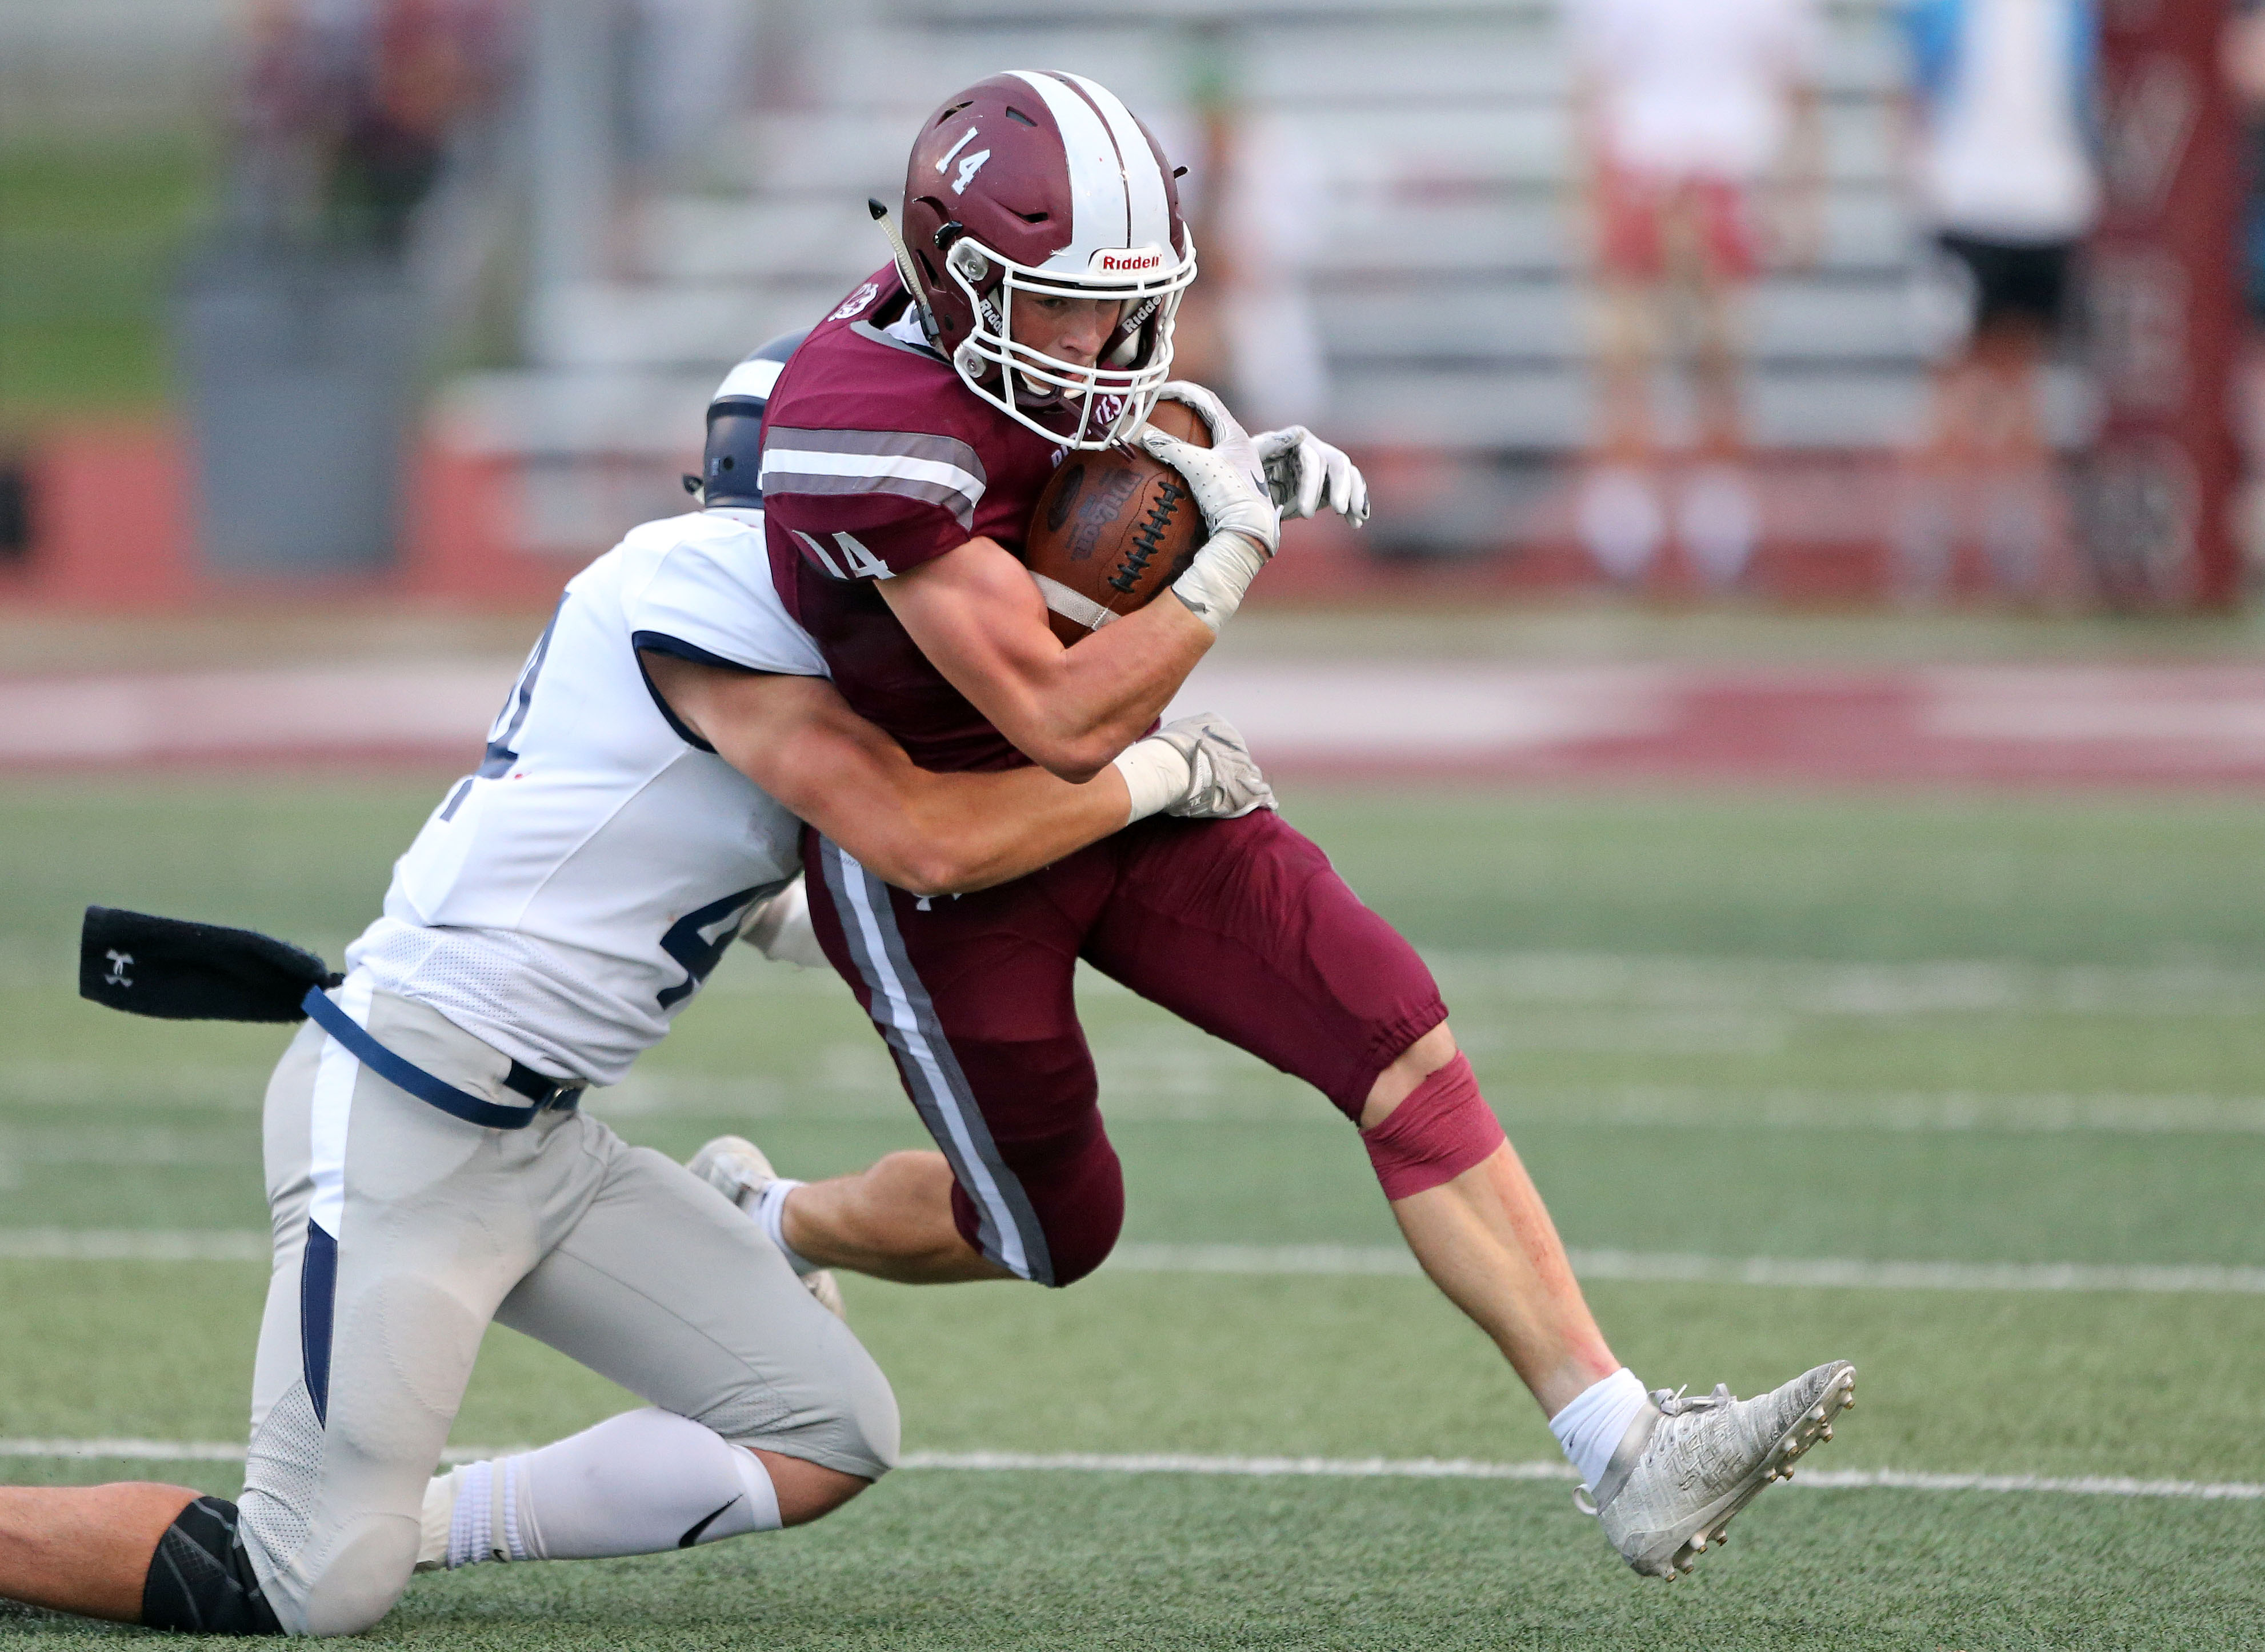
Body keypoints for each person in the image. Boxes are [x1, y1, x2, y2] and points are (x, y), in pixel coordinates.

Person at [705, 69, 1854, 1582]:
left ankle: (1624, 1446)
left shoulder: (1050, 354)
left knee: (1385, 1023)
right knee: (1051, 1225)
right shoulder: (868, 429)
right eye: (1063, 306)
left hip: (1113, 790)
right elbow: (1056, 715)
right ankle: (769, 1219)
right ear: (959, 273)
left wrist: (1201, 471)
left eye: (1129, 304)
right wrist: (1227, 549)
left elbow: (1117, 483)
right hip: (945, 848)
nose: (1106, 346)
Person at [0, 330, 1272, 1637]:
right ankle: (315, 1535)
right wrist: (1162, 771)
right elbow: (926, 837)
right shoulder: (711, 593)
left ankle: (412, 1522)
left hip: (532, 1139)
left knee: (828, 1430)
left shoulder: (780, 635)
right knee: (299, 1586)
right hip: (404, 1114)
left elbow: (826, 886)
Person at [1563, 0, 1825, 587]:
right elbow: (1592, 82)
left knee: (1720, 370)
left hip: (1729, 169)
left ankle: (1721, 549)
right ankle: (1621, 550)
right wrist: (1588, 198)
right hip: (1640, 166)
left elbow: (1796, 83)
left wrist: (1800, 194)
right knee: (1627, 369)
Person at [1895, 0, 2099, 601]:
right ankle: (1930, 537)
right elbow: (1912, 84)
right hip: (1964, 198)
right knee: (1953, 377)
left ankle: (2016, 542)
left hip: (2047, 201)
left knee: (2021, 374)